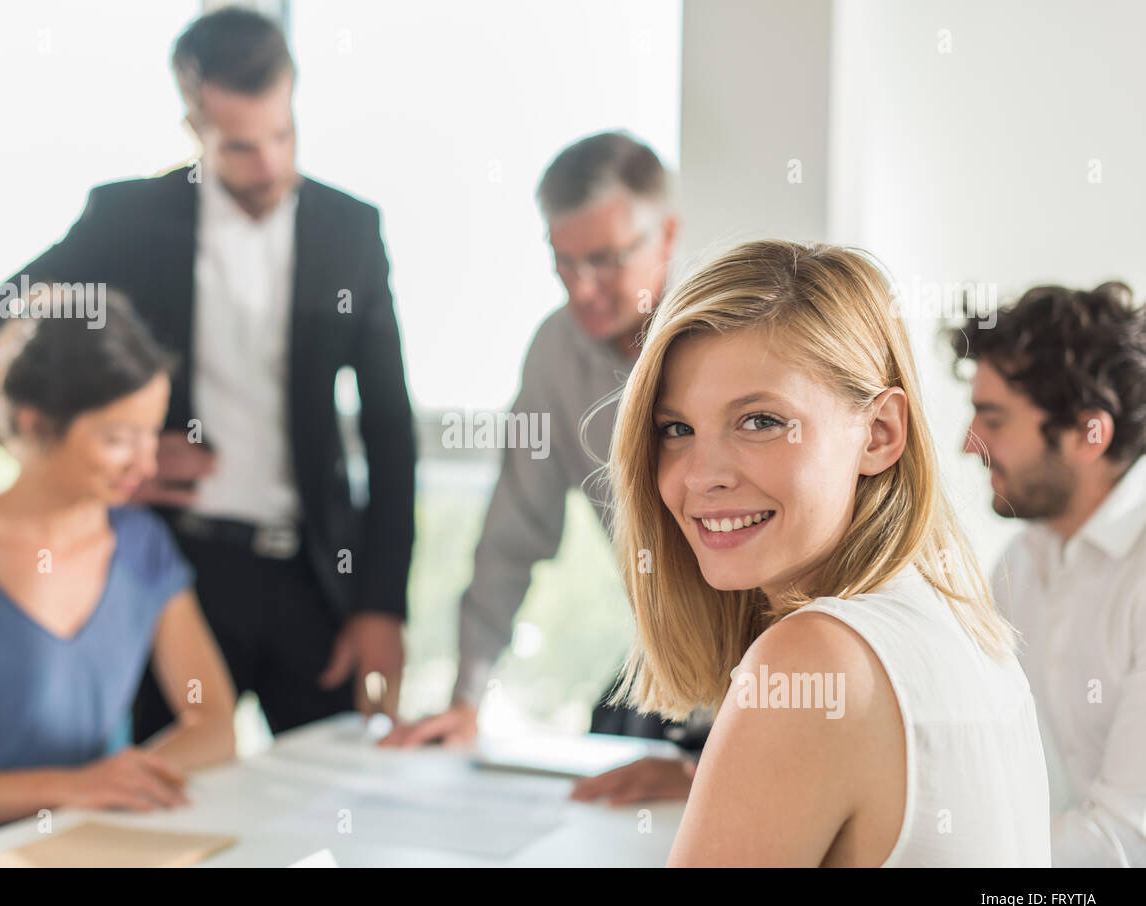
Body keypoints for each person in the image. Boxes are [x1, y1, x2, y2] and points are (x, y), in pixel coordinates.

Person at [0, 7, 416, 741]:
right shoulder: (128, 220)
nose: (271, 166)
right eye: (241, 146)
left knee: (334, 810)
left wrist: (383, 603)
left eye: (284, 136)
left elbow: (389, 428)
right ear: (193, 124)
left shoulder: (351, 230)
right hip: (173, 574)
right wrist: (90, 464)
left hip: (315, 581)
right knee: (162, 813)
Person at [608, 239, 1050, 866]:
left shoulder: (810, 660)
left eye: (759, 421)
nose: (701, 476)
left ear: (880, 432)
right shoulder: (965, 626)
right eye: (676, 429)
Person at [380, 132, 706, 804]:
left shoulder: (730, 329)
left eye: (607, 260)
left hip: (772, 665)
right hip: (670, 661)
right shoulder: (556, 351)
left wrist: (709, 764)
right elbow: (511, 537)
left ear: (667, 234)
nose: (582, 287)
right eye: (565, 262)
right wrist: (467, 697)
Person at [0, 294, 236, 866]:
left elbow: (213, 720)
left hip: (81, 846)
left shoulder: (143, 548)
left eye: (149, 434)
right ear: (35, 422)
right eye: (117, 438)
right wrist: (75, 785)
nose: (145, 465)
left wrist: (127, 777)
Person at [951, 282, 1146, 867]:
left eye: (994, 419)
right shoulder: (1022, 562)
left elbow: (1128, 842)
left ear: (1090, 435)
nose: (968, 444)